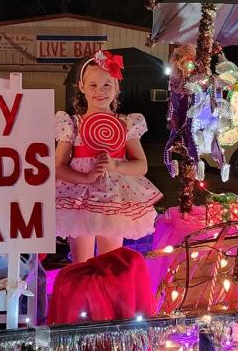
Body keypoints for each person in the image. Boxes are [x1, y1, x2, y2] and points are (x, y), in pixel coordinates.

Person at [55, 50, 161, 263]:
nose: (100, 91)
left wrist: (115, 166)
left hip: (114, 198)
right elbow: (58, 166)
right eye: (93, 85)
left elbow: (141, 165)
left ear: (116, 88)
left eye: (107, 85)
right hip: (79, 199)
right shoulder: (73, 124)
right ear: (82, 87)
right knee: (81, 263)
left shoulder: (125, 123)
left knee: (110, 262)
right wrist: (86, 177)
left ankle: (107, 286)